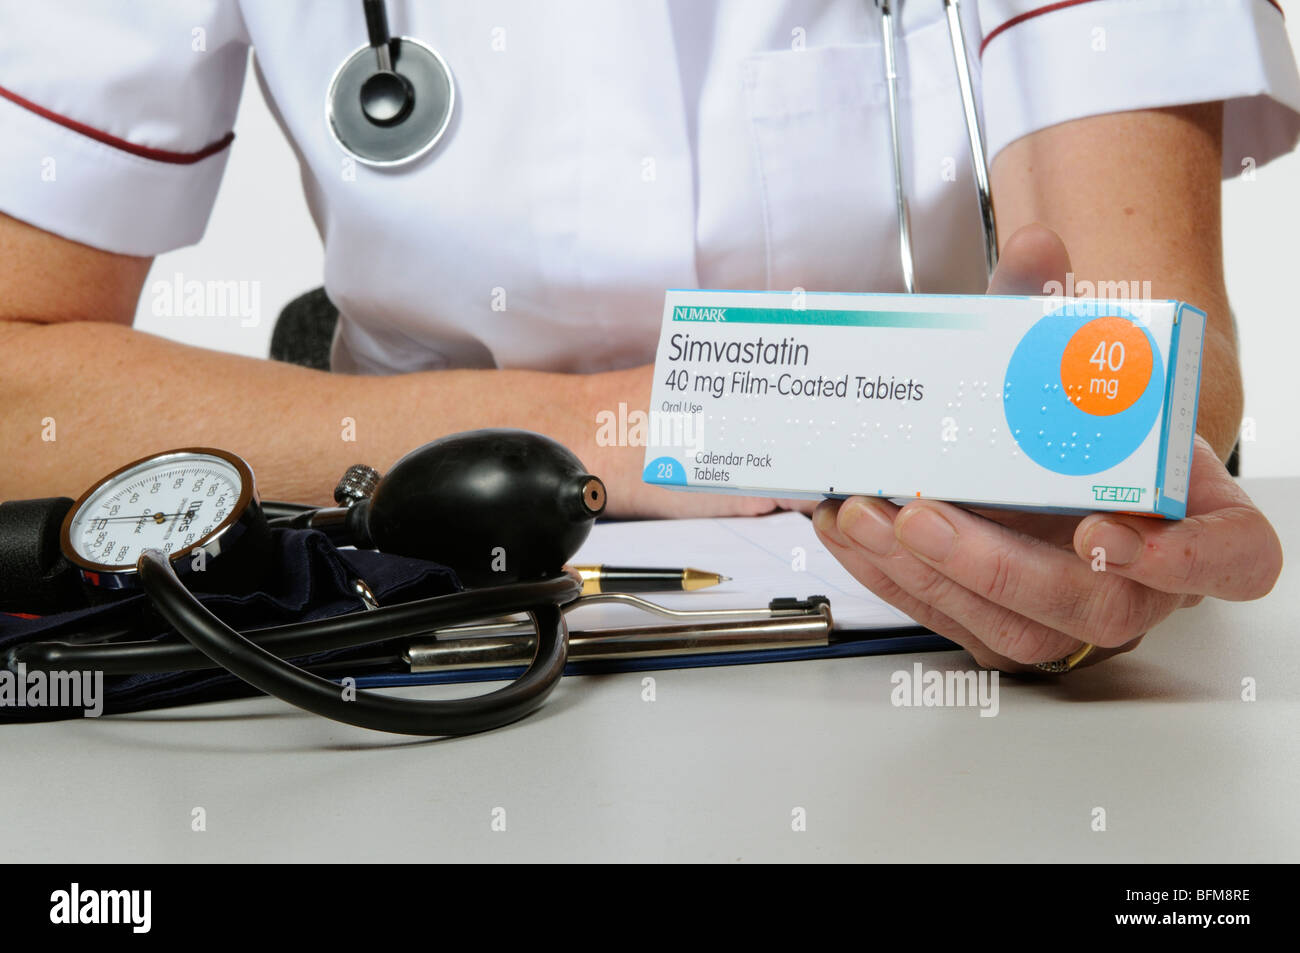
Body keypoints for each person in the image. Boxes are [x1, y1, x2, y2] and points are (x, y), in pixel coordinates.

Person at [0, 2, 1294, 670]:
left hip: (932, 605)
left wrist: (1099, 519)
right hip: (411, 616)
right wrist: (673, 419)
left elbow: (1152, 353)